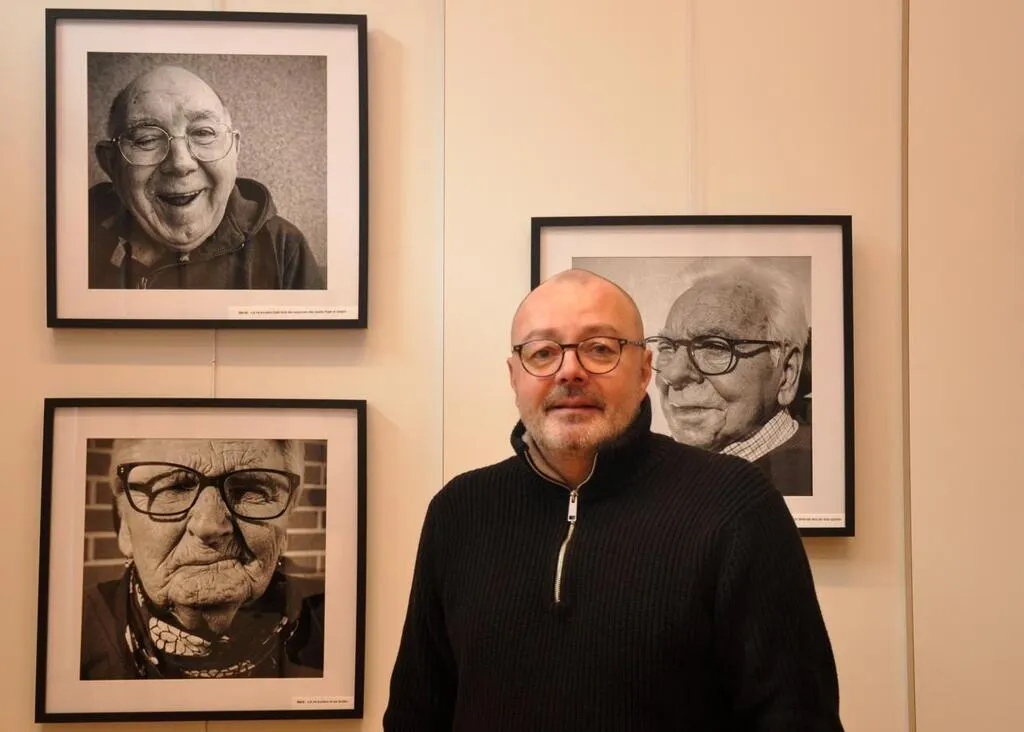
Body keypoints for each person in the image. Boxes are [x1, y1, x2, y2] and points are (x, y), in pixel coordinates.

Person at [383, 269, 843, 730]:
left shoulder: (736, 506)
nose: (569, 371)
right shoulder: (458, 512)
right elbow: (415, 716)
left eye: (600, 348)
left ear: (644, 371)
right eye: (542, 352)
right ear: (514, 376)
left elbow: (797, 718)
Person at [80, 438, 325, 680]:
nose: (210, 525)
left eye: (249, 490)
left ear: (285, 526)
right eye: (173, 488)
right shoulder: (73, 633)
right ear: (125, 525)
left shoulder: (333, 626)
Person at [89, 65, 324, 290]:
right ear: (111, 163)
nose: (180, 164)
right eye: (146, 139)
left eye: (203, 133)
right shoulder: (77, 237)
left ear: (234, 150)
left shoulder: (282, 248)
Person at [648, 261, 813, 496]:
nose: (672, 374)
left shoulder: (813, 477)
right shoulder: (651, 477)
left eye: (715, 347)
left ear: (787, 373)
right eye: (667, 347)